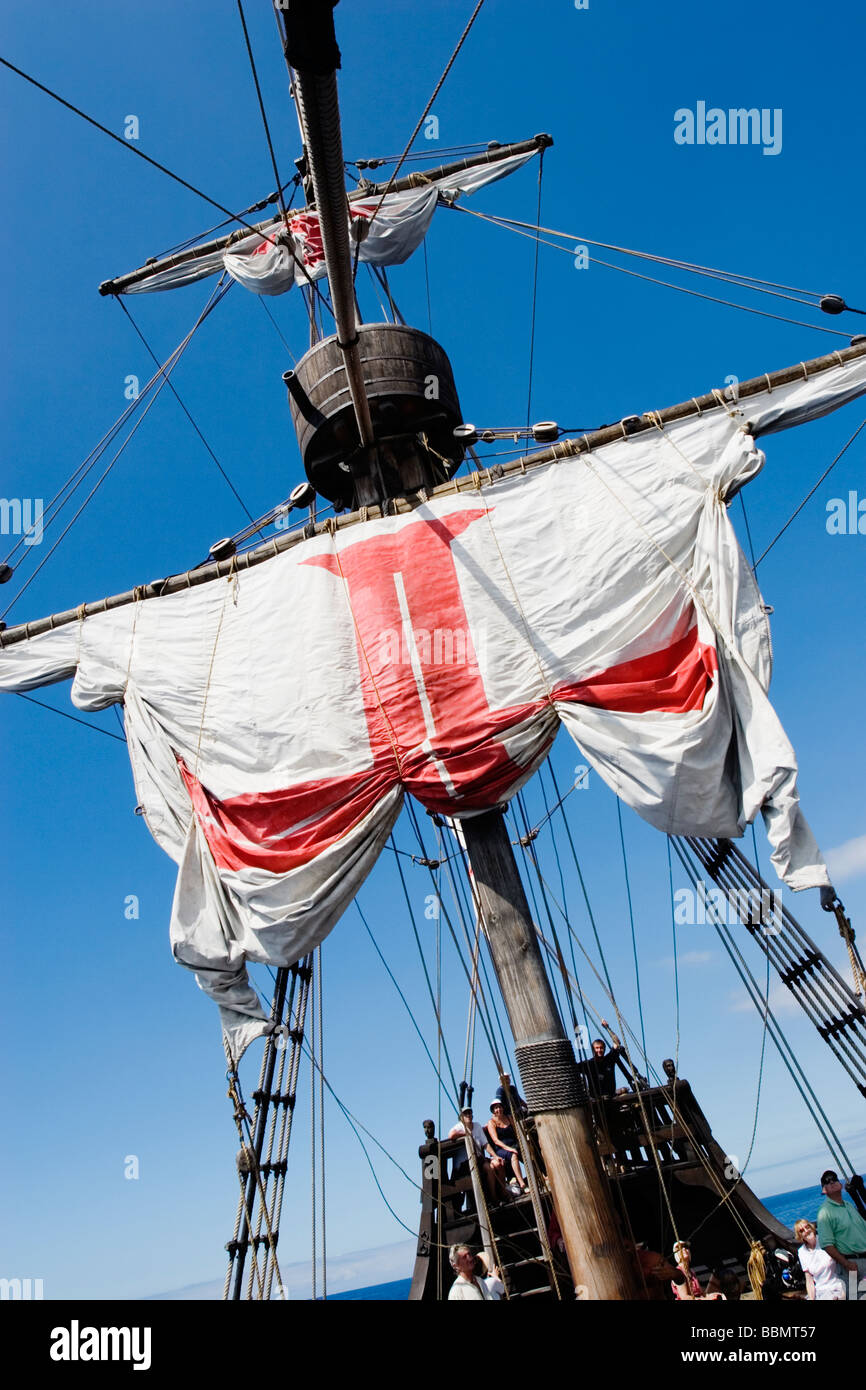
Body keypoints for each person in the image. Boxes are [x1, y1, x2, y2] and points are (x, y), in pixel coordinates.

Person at [816, 1169, 866, 1297]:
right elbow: (827, 1244)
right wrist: (846, 1264)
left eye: (834, 1179)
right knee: (855, 1297)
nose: (831, 1181)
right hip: (851, 1264)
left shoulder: (849, 1205)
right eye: (827, 1181)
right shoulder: (825, 1212)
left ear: (841, 1184)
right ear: (823, 1190)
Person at [448, 1106, 508, 1203]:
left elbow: (485, 1144)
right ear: (461, 1117)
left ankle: (503, 1193)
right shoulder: (459, 1126)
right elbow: (451, 1135)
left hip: (479, 1159)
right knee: (489, 1168)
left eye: (470, 1113)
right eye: (465, 1114)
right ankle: (493, 1198)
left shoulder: (477, 1126)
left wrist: (496, 1156)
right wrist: (465, 1134)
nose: (468, 1115)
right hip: (466, 1164)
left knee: (498, 1164)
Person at [794, 1218, 846, 1301]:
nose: (806, 1231)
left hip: (838, 1285)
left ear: (811, 1227)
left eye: (807, 1227)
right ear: (800, 1236)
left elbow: (843, 1263)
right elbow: (809, 1279)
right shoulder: (802, 1252)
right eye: (801, 1231)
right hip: (821, 1291)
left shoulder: (825, 1240)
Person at [486, 1101, 526, 1193]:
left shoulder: (509, 1118)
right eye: (496, 1108)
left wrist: (521, 1144)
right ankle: (521, 1183)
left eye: (500, 1107)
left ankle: (539, 1175)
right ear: (493, 1110)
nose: (498, 1109)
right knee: (513, 1155)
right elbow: (496, 1140)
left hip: (514, 1144)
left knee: (526, 1151)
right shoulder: (491, 1122)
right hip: (501, 1149)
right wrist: (510, 1149)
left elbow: (517, 1133)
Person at [578, 1019, 624, 1099]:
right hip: (596, 1100)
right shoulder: (588, 1064)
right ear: (593, 1049)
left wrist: (607, 1028)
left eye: (601, 1048)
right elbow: (571, 1069)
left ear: (604, 1049)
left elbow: (617, 1042)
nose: (599, 1050)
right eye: (597, 1048)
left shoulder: (610, 1059)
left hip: (611, 1097)